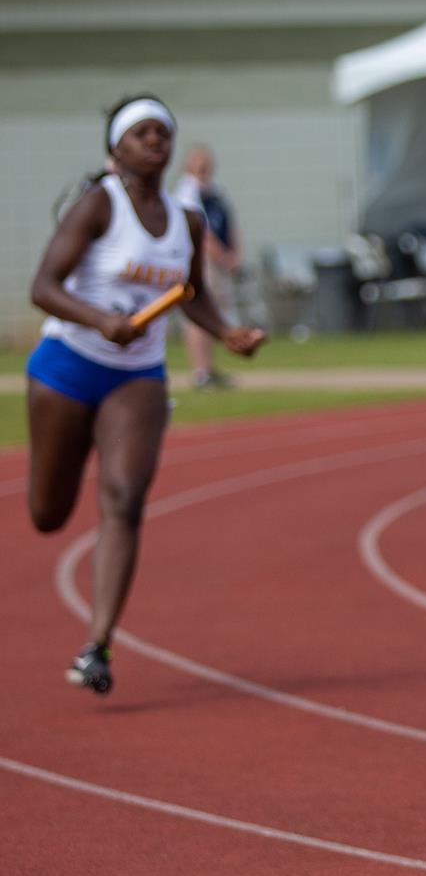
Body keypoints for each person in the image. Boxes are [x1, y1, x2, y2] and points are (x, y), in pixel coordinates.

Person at [25, 95, 265, 694]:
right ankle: (71, 459)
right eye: (142, 133)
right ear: (117, 148)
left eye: (163, 133)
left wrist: (226, 332)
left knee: (125, 498)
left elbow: (190, 293)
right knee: (48, 515)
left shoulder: (188, 220)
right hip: (67, 368)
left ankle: (97, 646)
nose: (155, 141)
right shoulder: (98, 205)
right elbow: (43, 287)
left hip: (136, 376)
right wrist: (100, 320)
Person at [170, 144, 241, 390]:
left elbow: (229, 224)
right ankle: (200, 371)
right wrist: (222, 256)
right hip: (199, 259)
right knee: (198, 311)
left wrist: (233, 254)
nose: (204, 169)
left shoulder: (213, 192)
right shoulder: (187, 192)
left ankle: (209, 368)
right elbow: (200, 231)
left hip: (217, 260)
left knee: (214, 312)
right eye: (199, 165)